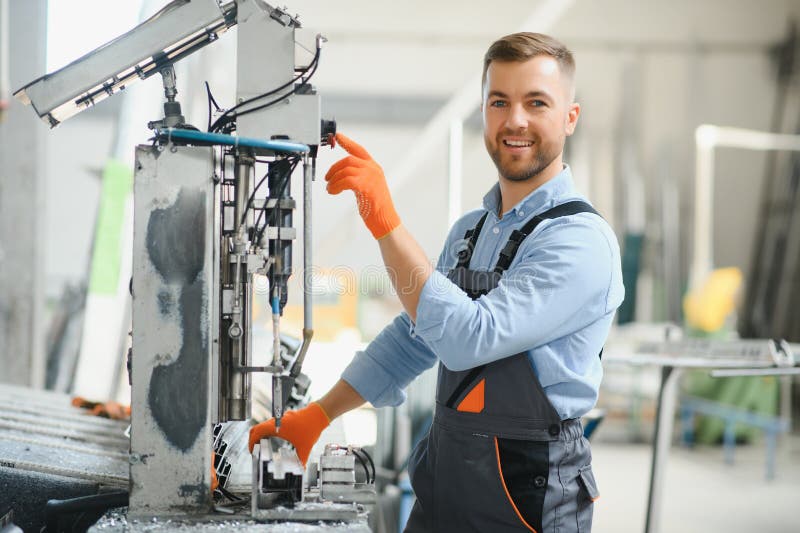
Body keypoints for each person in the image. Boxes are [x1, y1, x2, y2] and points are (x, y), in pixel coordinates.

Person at [250, 32, 624, 532]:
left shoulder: (580, 242)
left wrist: (387, 225)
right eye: (500, 102)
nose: (515, 120)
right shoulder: (471, 231)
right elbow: (415, 334)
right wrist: (318, 415)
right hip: (445, 480)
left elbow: (472, 338)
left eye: (537, 102)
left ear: (569, 117)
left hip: (526, 493)